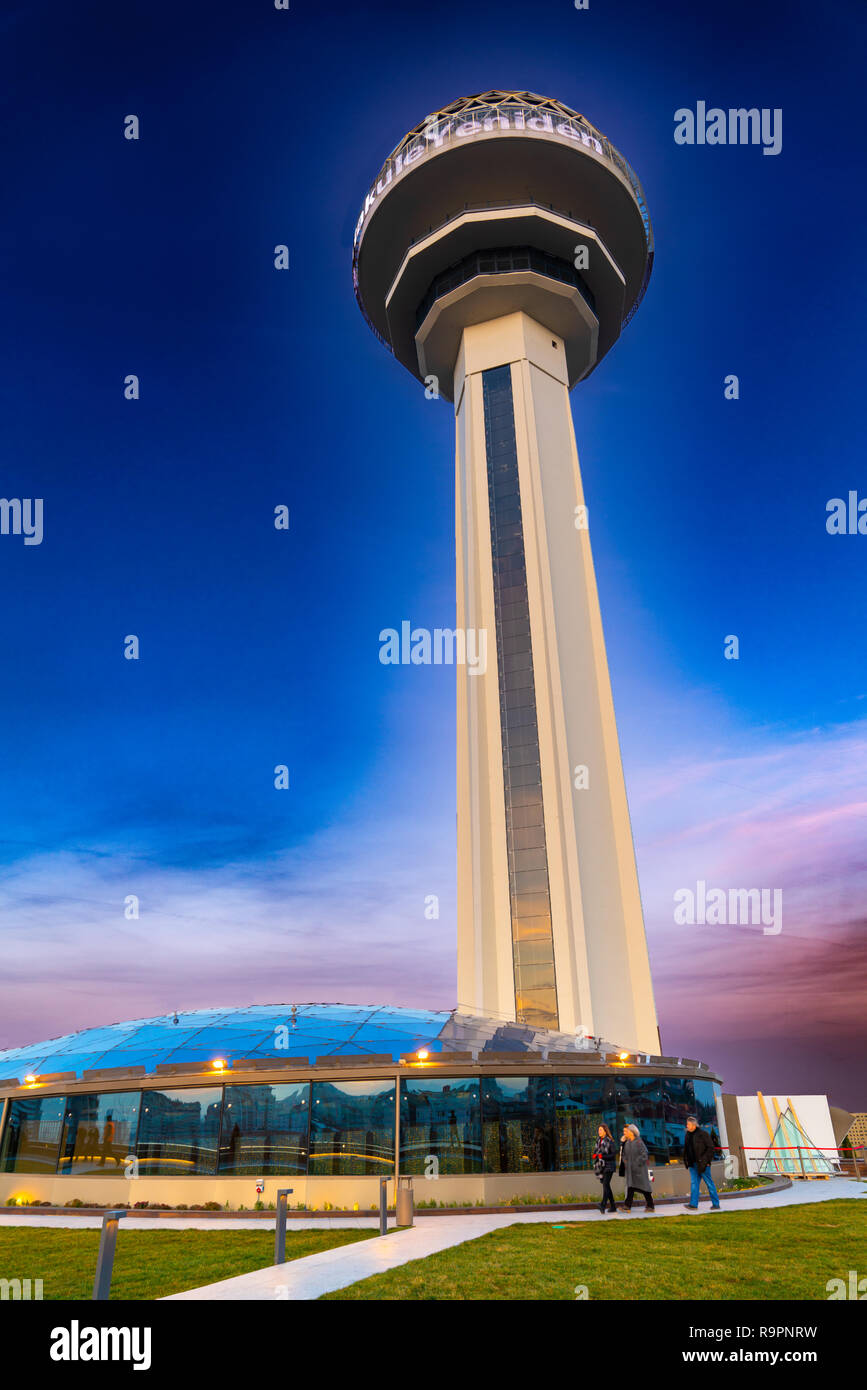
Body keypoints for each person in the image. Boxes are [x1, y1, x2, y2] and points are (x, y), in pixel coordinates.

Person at [682, 1115, 721, 1210]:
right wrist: (686, 1160)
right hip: (692, 1164)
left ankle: (716, 1204)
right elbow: (687, 1149)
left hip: (703, 1164)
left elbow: (711, 1148)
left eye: (688, 1124)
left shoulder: (703, 1134)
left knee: (709, 1184)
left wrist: (706, 1161)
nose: (686, 1126)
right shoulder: (687, 1135)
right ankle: (693, 1205)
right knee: (694, 1184)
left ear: (693, 1125)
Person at [621, 1122, 654, 1211]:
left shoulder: (639, 1142)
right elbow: (624, 1154)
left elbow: (644, 1155)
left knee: (645, 1189)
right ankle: (627, 1206)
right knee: (630, 1187)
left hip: (639, 1171)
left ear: (632, 1132)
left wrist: (636, 1163)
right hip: (631, 1171)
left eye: (627, 1131)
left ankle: (651, 1205)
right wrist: (625, 1161)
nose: (626, 1133)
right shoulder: (627, 1143)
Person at [592, 1123, 618, 1213]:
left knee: (605, 1185)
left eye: (601, 1130)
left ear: (605, 1131)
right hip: (601, 1167)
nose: (599, 1132)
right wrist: (595, 1155)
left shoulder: (610, 1141)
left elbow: (613, 1154)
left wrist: (601, 1156)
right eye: (598, 1130)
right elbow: (596, 1152)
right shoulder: (598, 1141)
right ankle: (613, 1206)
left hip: (609, 1166)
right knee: (606, 1186)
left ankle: (602, 1205)